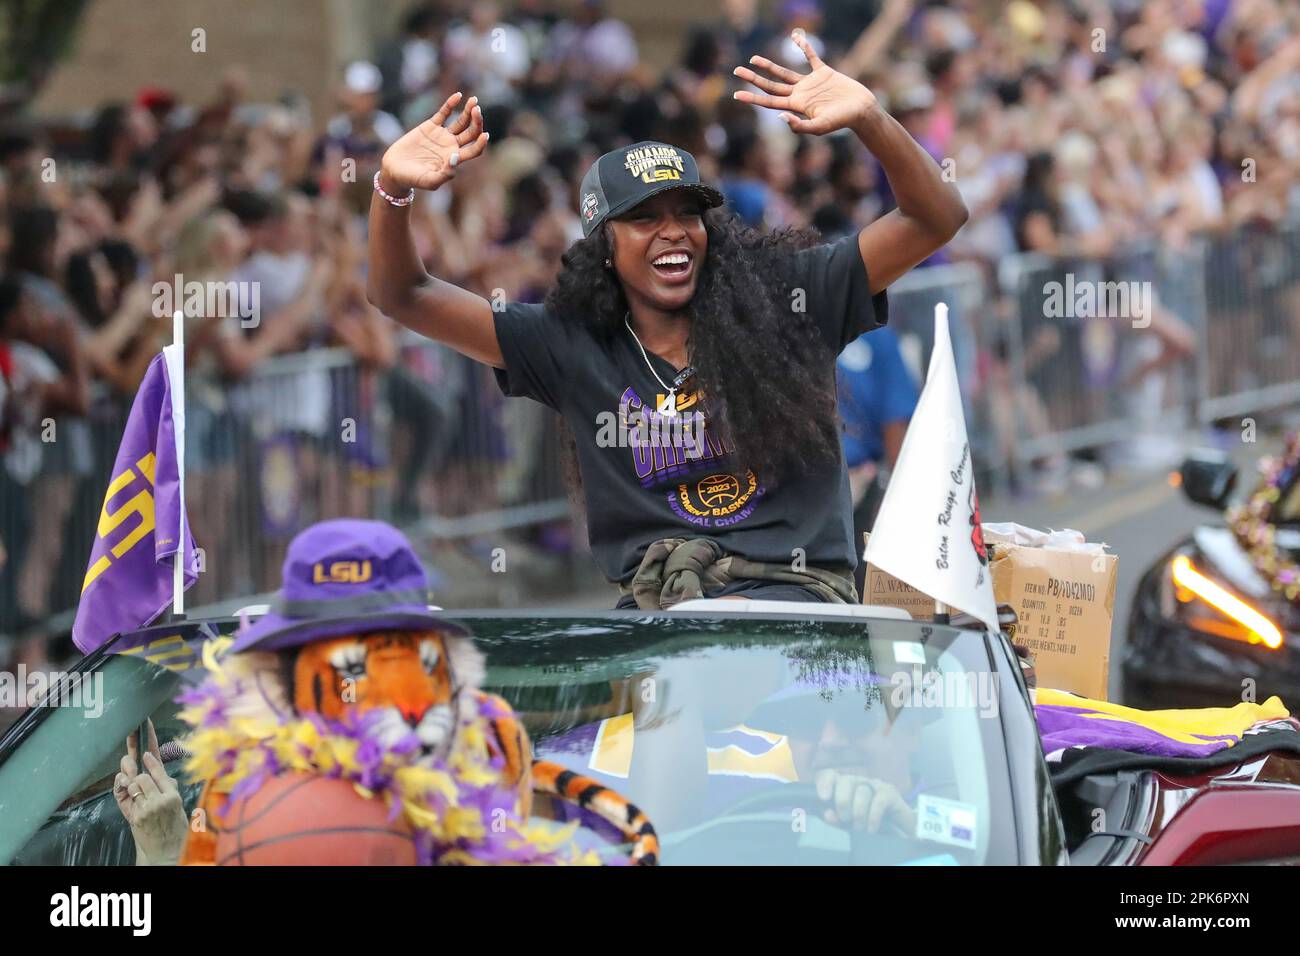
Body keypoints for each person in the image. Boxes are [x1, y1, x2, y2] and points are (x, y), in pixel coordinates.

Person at [368, 29, 967, 609]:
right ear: (604, 242)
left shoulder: (788, 297)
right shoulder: (568, 342)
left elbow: (934, 219)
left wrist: (871, 119)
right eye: (644, 219)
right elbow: (404, 294)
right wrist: (392, 188)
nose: (673, 231)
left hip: (800, 610)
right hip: (659, 624)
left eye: (687, 212)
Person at [836, 325, 917, 594]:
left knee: (861, 584)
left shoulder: (875, 337)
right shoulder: (780, 322)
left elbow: (895, 418)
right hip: (796, 485)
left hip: (859, 480)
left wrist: (898, 495)